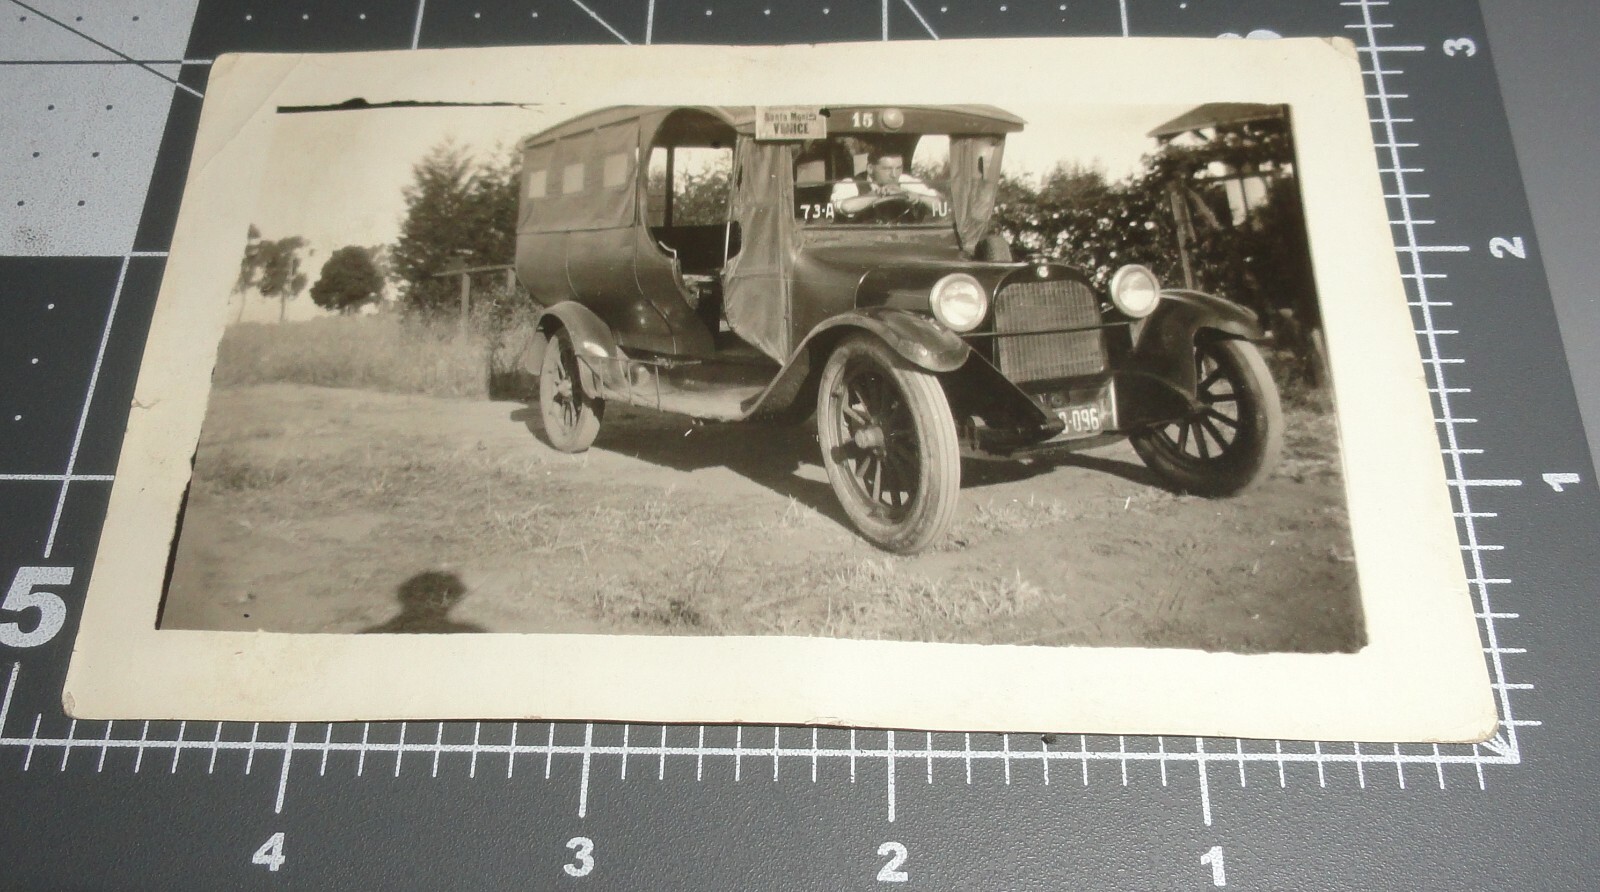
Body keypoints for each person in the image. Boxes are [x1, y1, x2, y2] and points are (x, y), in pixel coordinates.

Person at [830, 150, 944, 218]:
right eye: (887, 169)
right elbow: (846, 206)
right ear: (870, 168)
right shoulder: (850, 184)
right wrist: (879, 194)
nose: (894, 175)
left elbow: (940, 205)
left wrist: (913, 195)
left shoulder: (904, 181)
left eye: (899, 168)